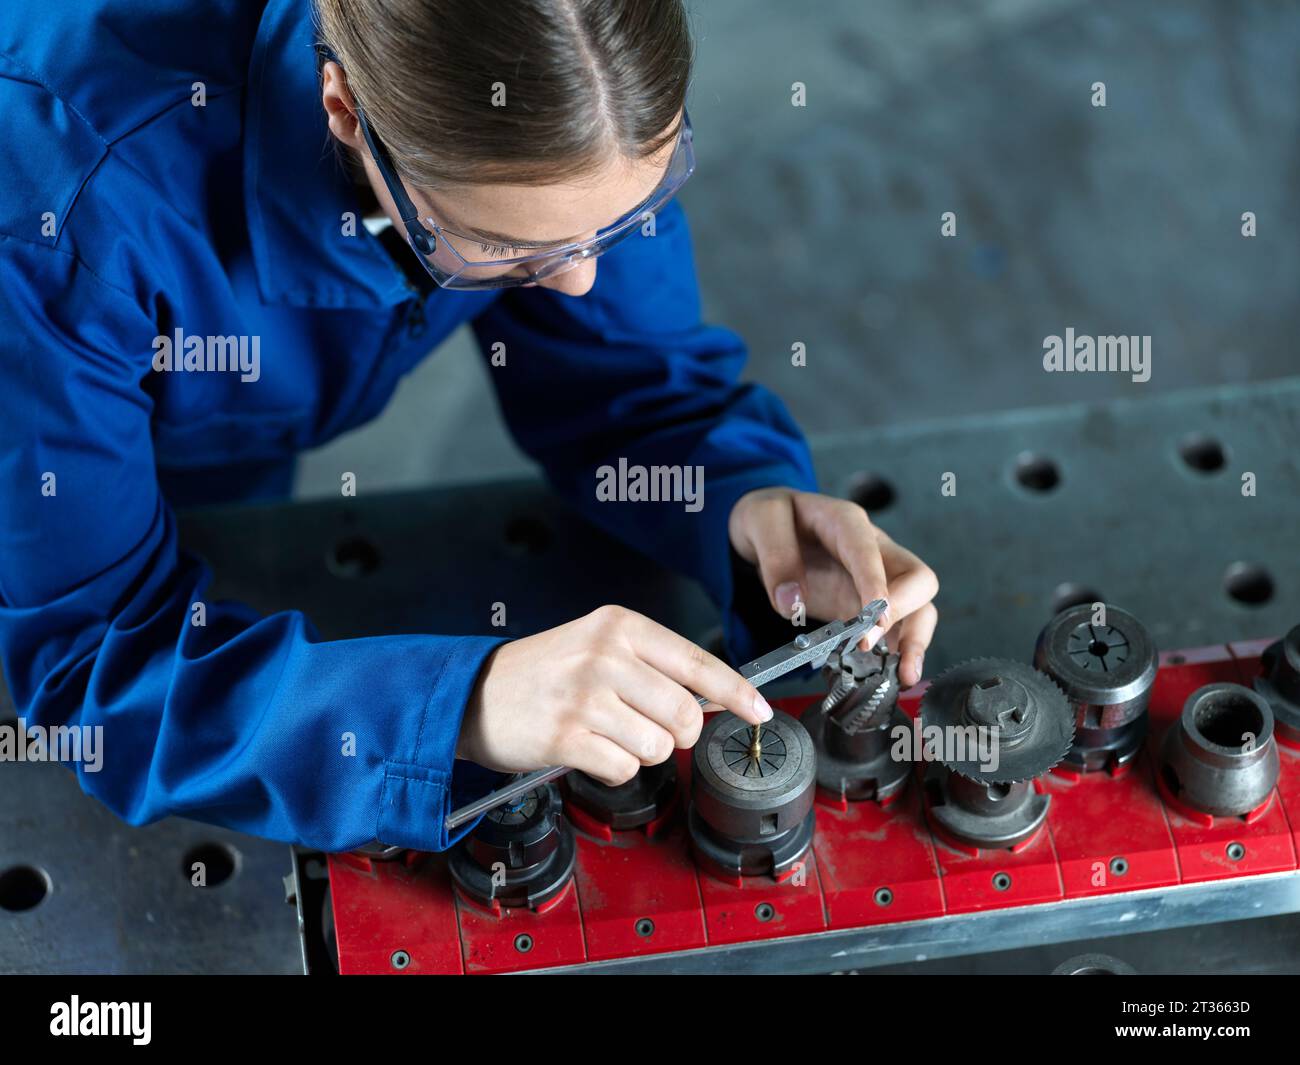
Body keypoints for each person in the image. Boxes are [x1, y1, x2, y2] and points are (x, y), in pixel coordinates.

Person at [0, 0, 938, 853]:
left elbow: (629, 380)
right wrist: (460, 705)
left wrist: (743, 504)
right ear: (344, 112)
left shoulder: (572, 101)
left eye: (619, 221)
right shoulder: (67, 217)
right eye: (503, 245)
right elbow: (97, 662)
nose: (579, 280)